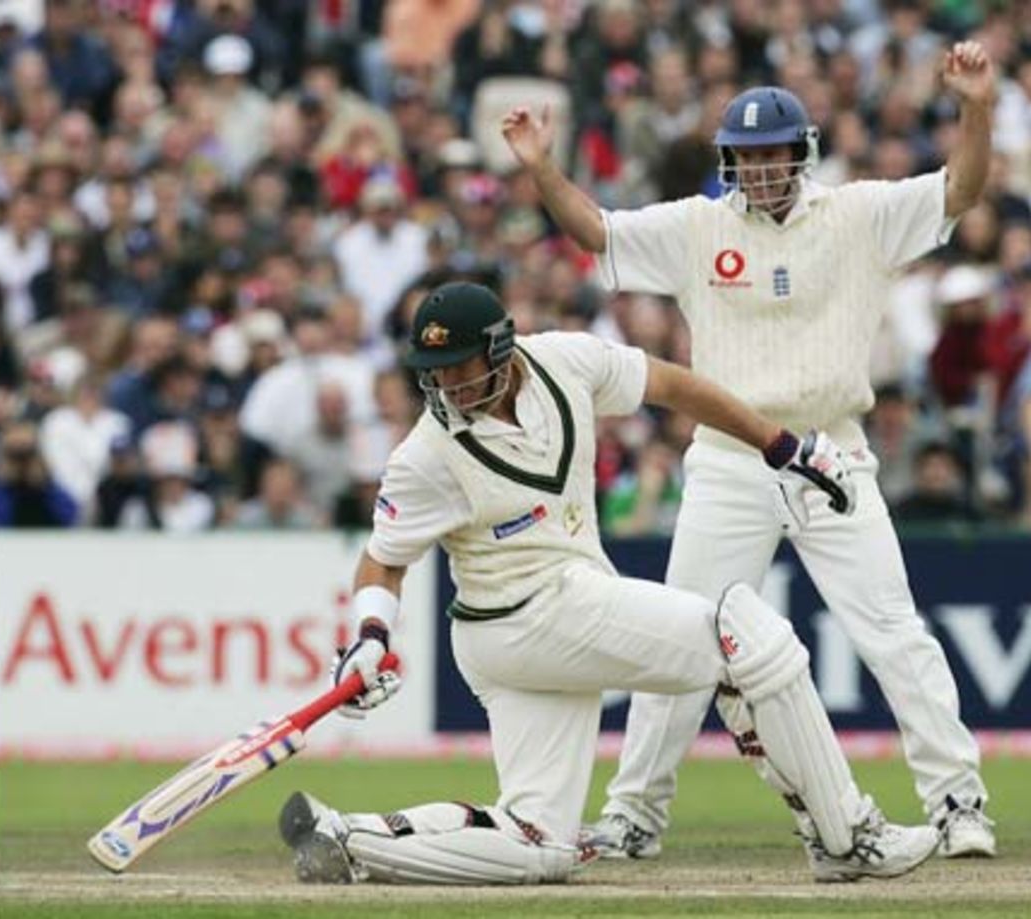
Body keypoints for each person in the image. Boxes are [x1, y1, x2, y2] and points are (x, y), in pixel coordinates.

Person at [500, 40, 997, 860]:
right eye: (747, 157)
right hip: (732, 458)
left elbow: (961, 189)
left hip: (831, 453)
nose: (762, 170)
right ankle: (634, 814)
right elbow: (598, 232)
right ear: (728, 162)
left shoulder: (860, 214)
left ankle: (957, 803)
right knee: (679, 638)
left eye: (774, 155)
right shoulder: (699, 227)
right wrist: (542, 169)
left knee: (894, 633)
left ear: (801, 155)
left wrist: (976, 107)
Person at [277, 281, 939, 886]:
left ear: (500, 351)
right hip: (527, 615)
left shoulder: (566, 361)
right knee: (745, 633)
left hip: (532, 625)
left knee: (541, 843)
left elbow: (674, 385)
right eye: (433, 373)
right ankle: (847, 834)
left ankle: (351, 838)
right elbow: (383, 558)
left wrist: (780, 445)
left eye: (459, 367)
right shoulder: (424, 456)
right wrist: (369, 635)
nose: (447, 386)